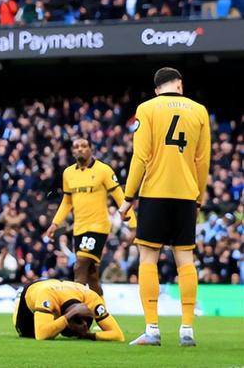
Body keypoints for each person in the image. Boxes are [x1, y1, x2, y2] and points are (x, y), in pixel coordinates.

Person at [118, 67, 210, 347]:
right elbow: (202, 160)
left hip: (155, 193)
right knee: (186, 260)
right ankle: (187, 330)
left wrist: (128, 197)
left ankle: (152, 329)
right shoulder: (200, 111)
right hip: (186, 194)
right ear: (180, 84)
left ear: (157, 88)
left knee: (148, 259)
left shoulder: (147, 109)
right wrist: (199, 196)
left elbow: (140, 157)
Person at [44, 138, 136, 295]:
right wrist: (55, 224)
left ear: (91, 149)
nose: (80, 149)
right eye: (76, 147)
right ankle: (101, 308)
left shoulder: (103, 170)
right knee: (92, 275)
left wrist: (133, 224)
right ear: (73, 151)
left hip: (98, 227)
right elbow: (67, 202)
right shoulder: (68, 173)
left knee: (80, 265)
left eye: (84, 146)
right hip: (79, 228)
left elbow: (120, 196)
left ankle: (75, 305)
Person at [12, 279, 124, 341]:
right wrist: (68, 316)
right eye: (78, 322)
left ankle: (55, 318)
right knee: (27, 334)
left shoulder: (92, 299)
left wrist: (89, 335)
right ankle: (18, 299)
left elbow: (118, 335)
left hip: (62, 288)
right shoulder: (47, 296)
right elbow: (41, 335)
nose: (84, 326)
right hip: (35, 290)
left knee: (53, 328)